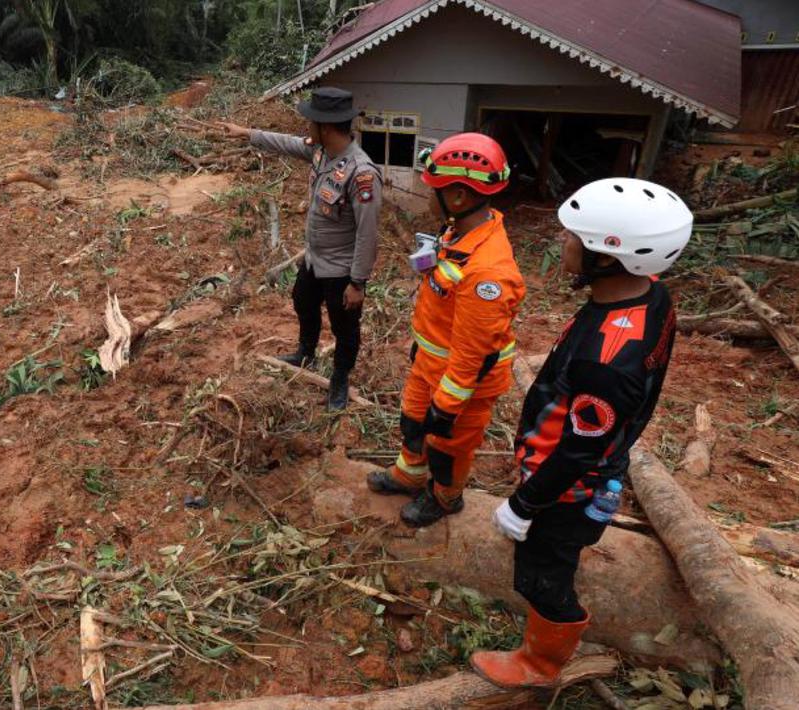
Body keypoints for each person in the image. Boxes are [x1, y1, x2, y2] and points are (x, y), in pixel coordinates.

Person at [470, 178, 692, 687]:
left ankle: (540, 663)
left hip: (568, 486)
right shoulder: (651, 297)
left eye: (574, 237)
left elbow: (578, 450)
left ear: (610, 257)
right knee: (556, 550)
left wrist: (525, 504)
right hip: (597, 461)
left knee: (541, 571)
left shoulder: (607, 362)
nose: (562, 243)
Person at [365, 133, 524, 527]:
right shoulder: (460, 232)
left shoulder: (488, 274)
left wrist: (448, 405)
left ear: (457, 197)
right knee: (413, 422)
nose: (425, 194)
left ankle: (445, 497)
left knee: (447, 445)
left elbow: (474, 353)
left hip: (463, 382)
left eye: (432, 189)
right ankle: (408, 475)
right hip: (432, 363)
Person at [218, 87, 383, 411]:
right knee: (302, 300)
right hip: (314, 259)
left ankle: (339, 379)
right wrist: (247, 133)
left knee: (344, 328)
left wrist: (358, 283)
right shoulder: (321, 152)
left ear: (324, 127)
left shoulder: (361, 174)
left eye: (310, 122)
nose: (305, 128)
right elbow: (287, 143)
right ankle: (305, 352)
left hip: (341, 270)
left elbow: (368, 234)